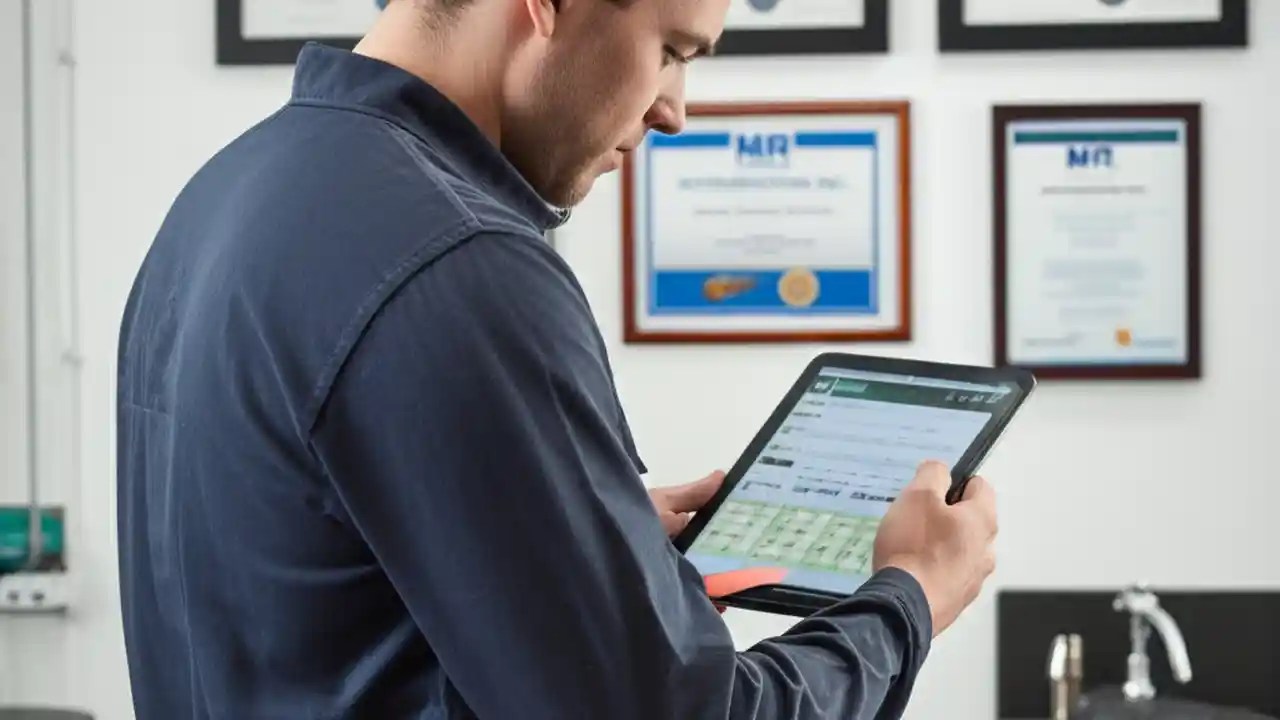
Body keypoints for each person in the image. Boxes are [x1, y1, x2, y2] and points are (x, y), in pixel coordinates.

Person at [115, 0, 999, 717]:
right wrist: (906, 600)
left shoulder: (224, 196)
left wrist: (569, 533)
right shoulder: (462, 261)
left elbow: (303, 572)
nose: (674, 109)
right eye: (671, 49)